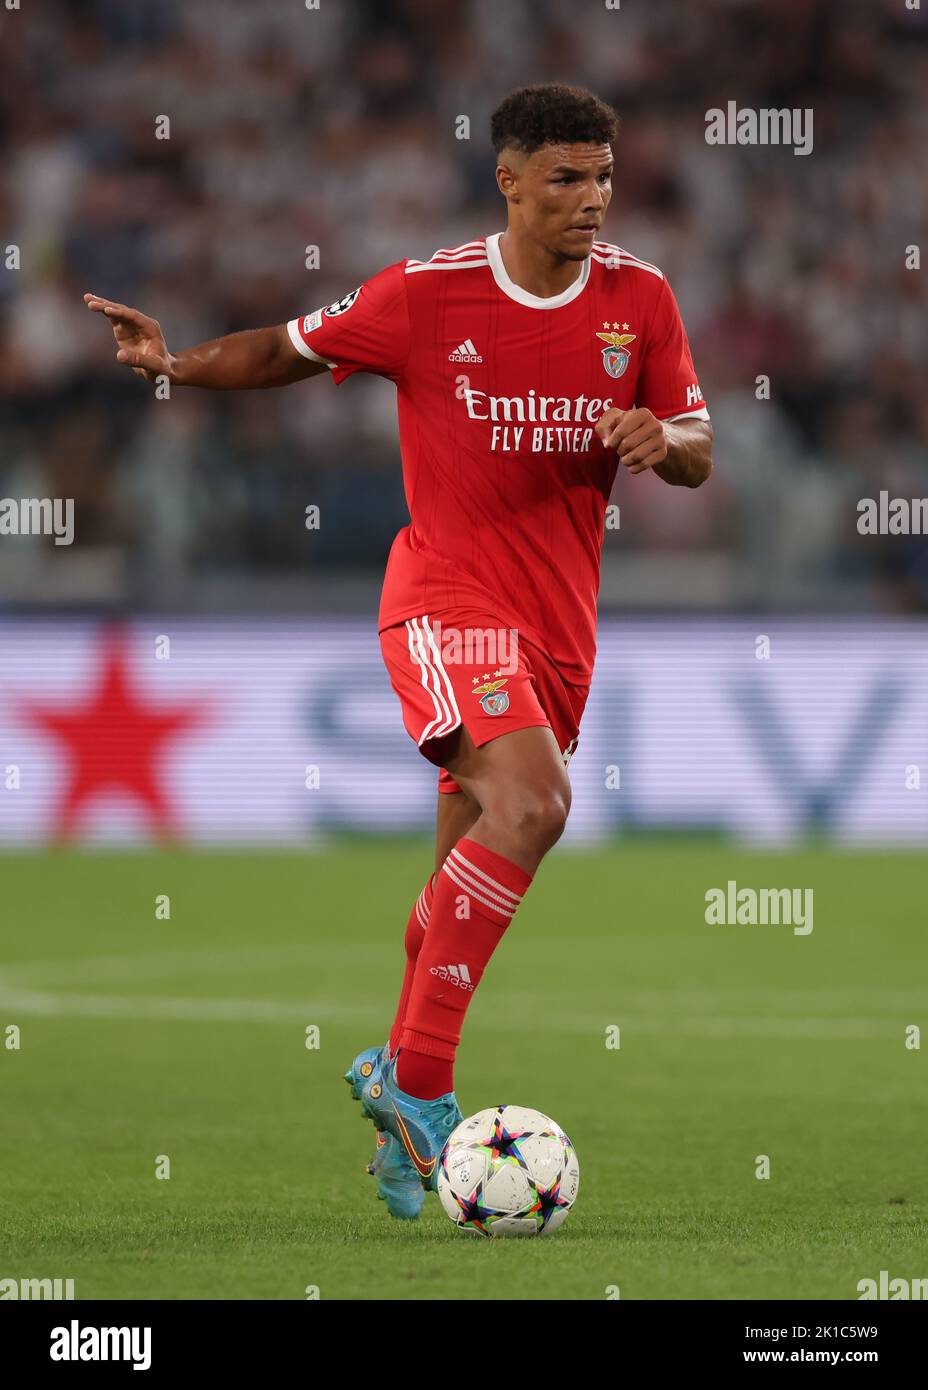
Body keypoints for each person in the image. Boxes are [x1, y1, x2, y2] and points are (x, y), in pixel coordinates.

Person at [85, 82, 712, 1221]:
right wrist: (176, 366)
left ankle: (390, 1073)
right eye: (565, 178)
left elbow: (701, 445)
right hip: (442, 601)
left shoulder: (641, 298)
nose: (591, 200)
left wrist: (661, 440)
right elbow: (286, 349)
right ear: (509, 179)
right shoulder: (426, 295)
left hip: (560, 631)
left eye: (604, 178)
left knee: (451, 885)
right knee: (536, 805)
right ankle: (422, 1086)